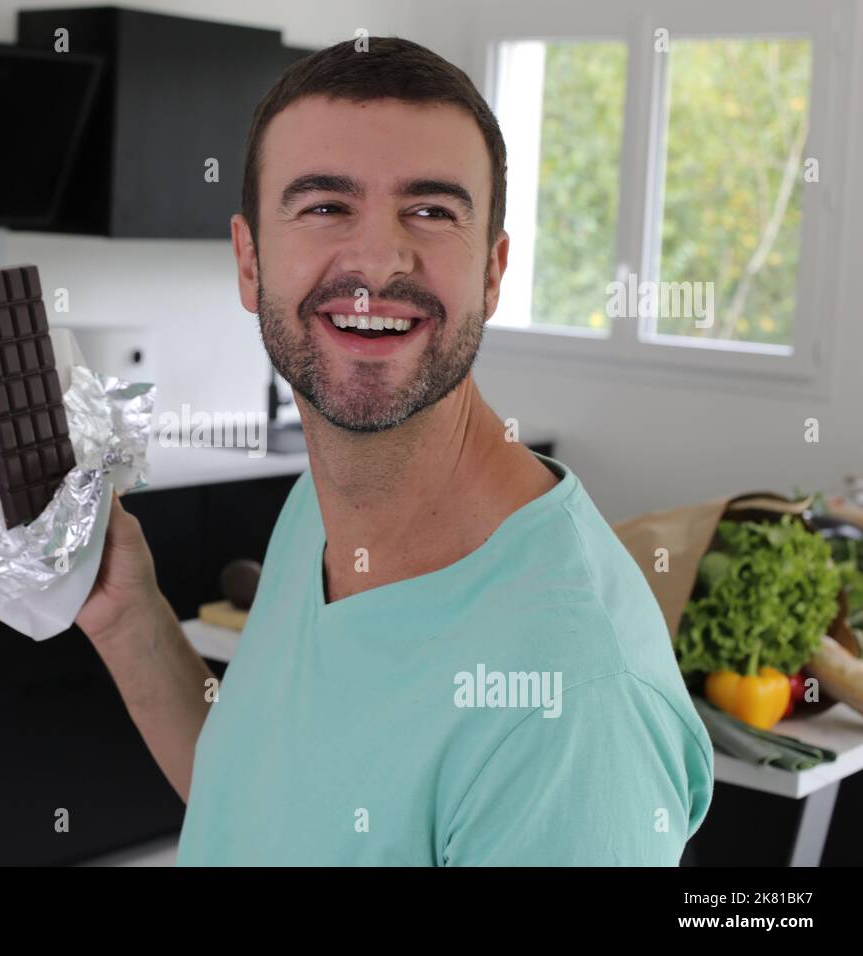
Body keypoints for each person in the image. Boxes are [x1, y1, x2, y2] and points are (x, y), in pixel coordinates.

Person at [75, 36, 713, 865]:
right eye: (325, 206)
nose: (377, 261)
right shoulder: (323, 506)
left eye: (431, 210)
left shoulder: (572, 702)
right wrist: (131, 620)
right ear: (248, 259)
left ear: (491, 272)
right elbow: (258, 812)